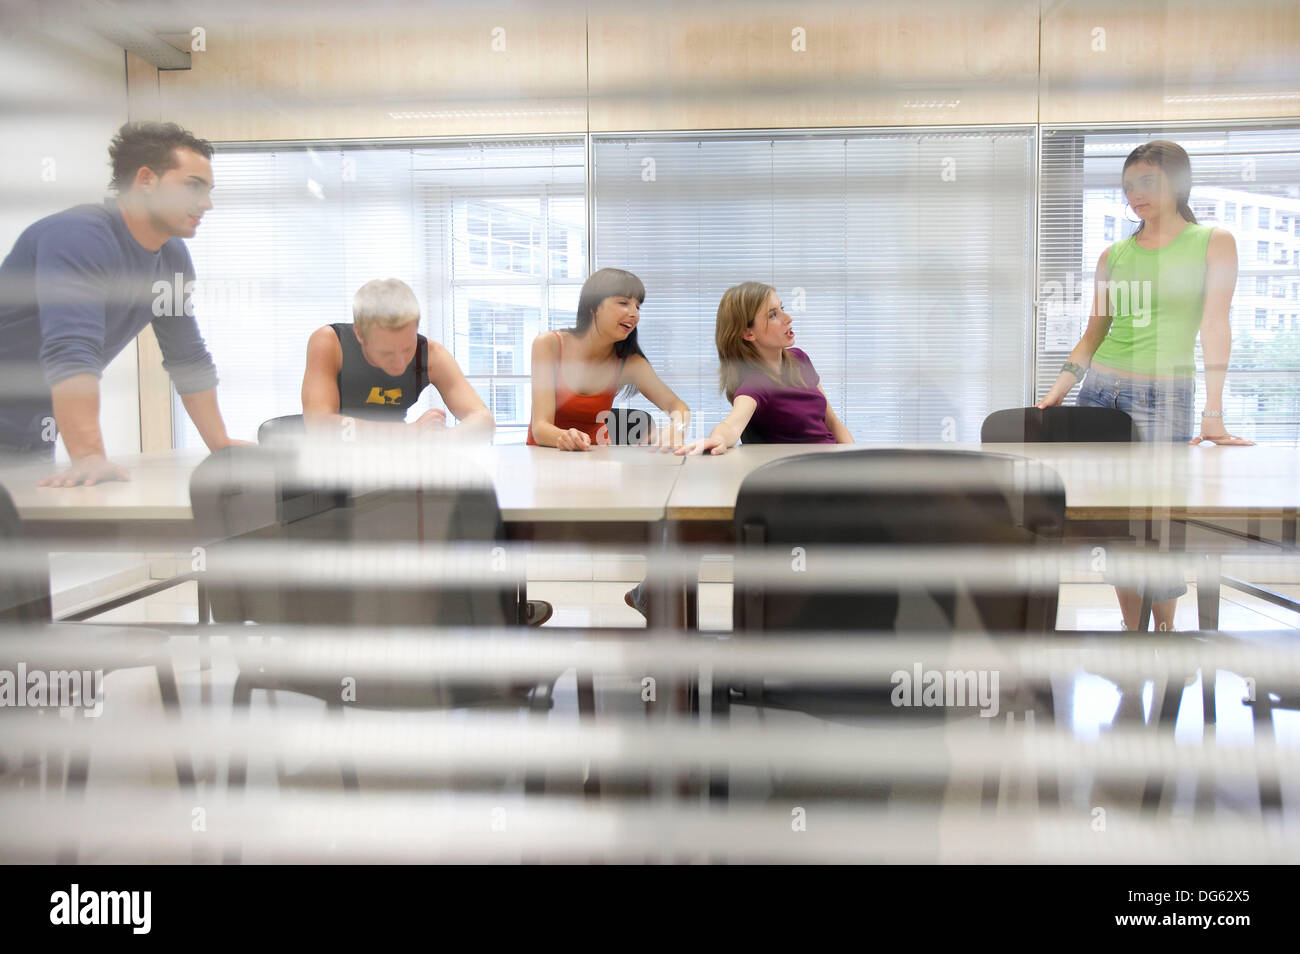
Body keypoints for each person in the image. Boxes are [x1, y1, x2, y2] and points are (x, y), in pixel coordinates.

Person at [1037, 139, 1253, 633]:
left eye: (1148, 182)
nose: (1136, 194)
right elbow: (1095, 331)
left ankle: (1167, 634)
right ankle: (1131, 634)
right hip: (1100, 396)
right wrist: (1062, 387)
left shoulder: (1213, 241)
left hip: (1165, 398)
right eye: (1129, 185)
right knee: (1116, 529)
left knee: (1157, 528)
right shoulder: (1114, 254)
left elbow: (1215, 326)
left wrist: (1214, 413)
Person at [0, 121, 246, 485]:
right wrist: (88, 456)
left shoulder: (172, 257)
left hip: (30, 436)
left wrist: (220, 444)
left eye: (208, 190)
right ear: (146, 179)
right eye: (193, 187)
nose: (206, 203)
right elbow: (71, 349)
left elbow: (187, 357)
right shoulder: (78, 236)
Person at [301, 278, 493, 440]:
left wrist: (446, 441)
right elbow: (320, 425)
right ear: (359, 334)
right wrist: (411, 432)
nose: (400, 363)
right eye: (386, 353)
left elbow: (483, 419)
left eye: (407, 349)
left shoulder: (431, 354)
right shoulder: (330, 342)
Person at [677, 282, 853, 456]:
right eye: (773, 315)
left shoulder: (800, 359)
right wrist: (718, 439)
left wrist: (855, 459)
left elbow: (833, 423)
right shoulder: (755, 384)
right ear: (748, 334)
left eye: (782, 308)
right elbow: (731, 426)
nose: (788, 318)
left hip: (834, 463)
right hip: (804, 473)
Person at [527, 267, 689, 451]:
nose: (634, 313)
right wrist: (564, 436)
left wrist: (678, 427)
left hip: (596, 458)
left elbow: (678, 406)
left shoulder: (630, 363)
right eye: (623, 302)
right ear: (594, 306)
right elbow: (540, 428)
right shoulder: (549, 345)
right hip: (546, 458)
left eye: (638, 306)